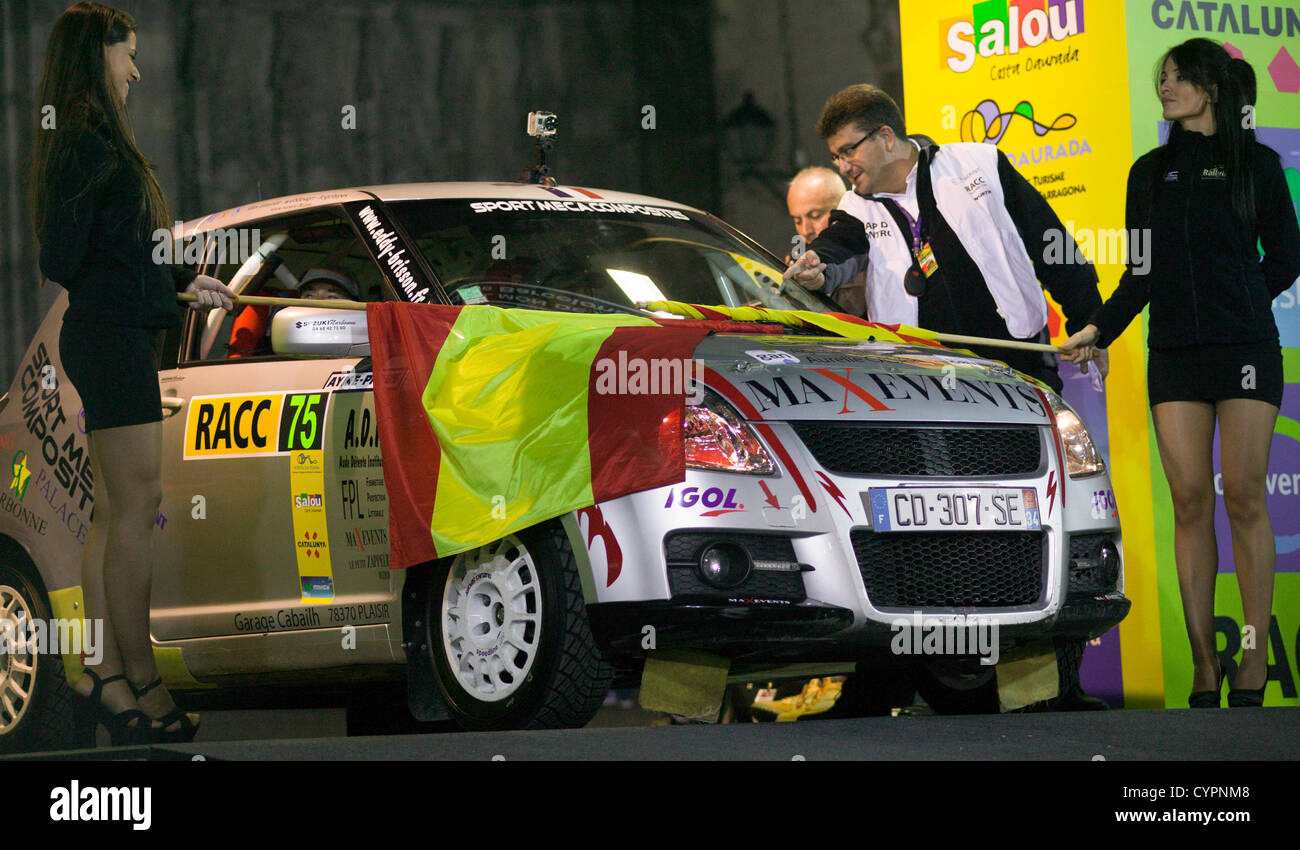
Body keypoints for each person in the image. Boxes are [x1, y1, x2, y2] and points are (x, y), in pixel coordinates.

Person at [785, 84, 1108, 710]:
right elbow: (838, 255)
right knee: (912, 529)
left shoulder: (978, 164)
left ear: (884, 137)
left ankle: (1051, 690)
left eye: (848, 151)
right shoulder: (856, 207)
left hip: (1016, 374)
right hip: (917, 393)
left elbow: (1050, 239)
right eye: (835, 155)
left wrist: (1089, 315)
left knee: (1034, 524)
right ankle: (892, 679)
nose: (843, 166)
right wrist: (817, 271)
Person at [1062, 39, 1300, 708]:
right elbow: (1139, 274)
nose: (1165, 89)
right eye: (1161, 79)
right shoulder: (1149, 171)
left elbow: (1285, 254)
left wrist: (1243, 295)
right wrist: (1098, 330)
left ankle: (1253, 660)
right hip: (1175, 353)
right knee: (1191, 500)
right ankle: (1204, 665)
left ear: (1212, 89)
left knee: (1246, 496)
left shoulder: (1258, 164)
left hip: (1246, 348)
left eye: (1176, 79)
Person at [30, 2, 235, 744]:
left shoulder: (89, 141)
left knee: (116, 512)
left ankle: (104, 679)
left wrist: (181, 279)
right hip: (110, 340)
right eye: (128, 56)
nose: (138, 71)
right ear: (99, 57)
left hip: (114, 335)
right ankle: (140, 682)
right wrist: (156, 281)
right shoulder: (85, 145)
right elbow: (67, 256)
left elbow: (121, 251)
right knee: (137, 505)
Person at [786, 167, 867, 316]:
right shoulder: (796, 263)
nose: (805, 230)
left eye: (815, 216)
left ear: (841, 210)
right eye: (797, 220)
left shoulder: (869, 252)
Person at [229, 267, 361, 356]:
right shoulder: (273, 352)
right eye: (310, 296)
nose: (318, 303)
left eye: (331, 297)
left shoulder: (372, 355)